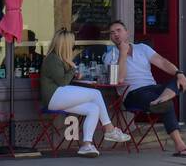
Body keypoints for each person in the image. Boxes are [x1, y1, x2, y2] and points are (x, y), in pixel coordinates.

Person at [103, 20, 186, 157]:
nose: (115, 34)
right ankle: (180, 145)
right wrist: (122, 54)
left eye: (118, 30)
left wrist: (179, 73)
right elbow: (120, 79)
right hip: (133, 94)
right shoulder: (110, 56)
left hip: (153, 89)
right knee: (166, 103)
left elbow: (163, 62)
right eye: (112, 33)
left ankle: (163, 98)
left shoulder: (142, 48)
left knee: (178, 80)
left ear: (127, 32)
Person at [40, 28, 132, 157]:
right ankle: (109, 129)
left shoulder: (60, 59)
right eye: (71, 42)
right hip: (53, 98)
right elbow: (62, 82)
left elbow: (63, 79)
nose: (73, 45)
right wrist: (72, 69)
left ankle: (86, 145)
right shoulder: (53, 59)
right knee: (96, 94)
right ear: (65, 44)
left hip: (59, 96)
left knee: (93, 109)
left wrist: (73, 72)